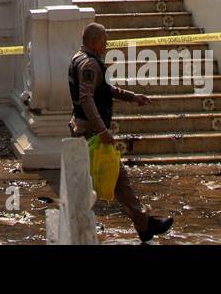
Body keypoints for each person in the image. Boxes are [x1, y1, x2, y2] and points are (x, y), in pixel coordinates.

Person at [68, 21, 174, 243]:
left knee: (114, 178)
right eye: (105, 40)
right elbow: (86, 98)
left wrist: (132, 96)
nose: (106, 44)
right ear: (95, 41)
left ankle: (143, 224)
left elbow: (105, 90)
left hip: (86, 129)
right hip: (91, 132)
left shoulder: (81, 59)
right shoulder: (89, 64)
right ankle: (141, 223)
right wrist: (102, 129)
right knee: (110, 177)